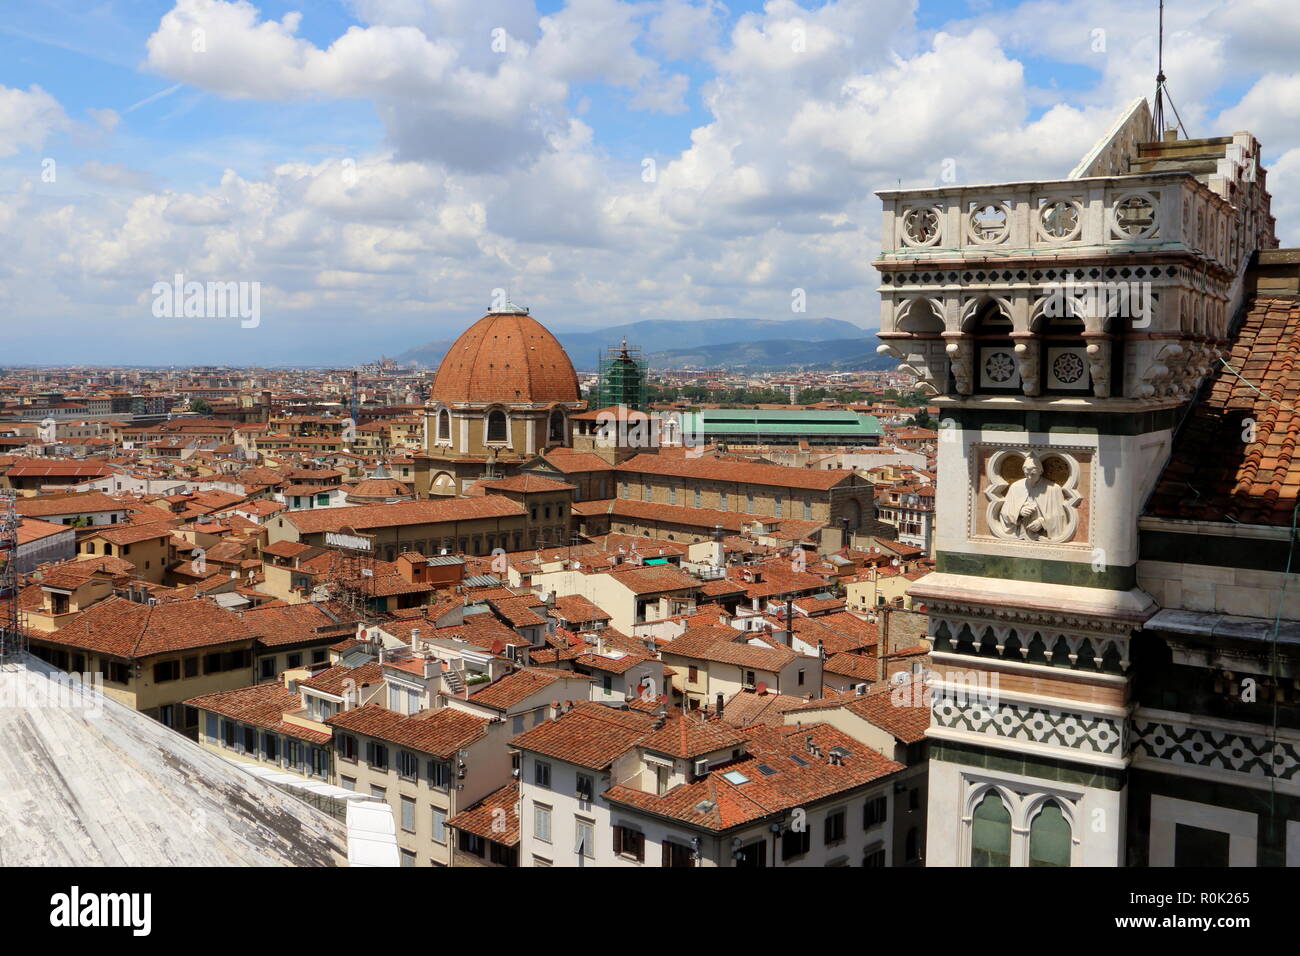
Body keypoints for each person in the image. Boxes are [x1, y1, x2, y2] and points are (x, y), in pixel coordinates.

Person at [999, 453, 1068, 539]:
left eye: (1033, 474)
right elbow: (1004, 513)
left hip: (1043, 537)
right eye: (1026, 474)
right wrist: (1019, 512)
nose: (1029, 477)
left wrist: (1043, 522)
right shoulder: (1015, 487)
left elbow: (1060, 517)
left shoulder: (1053, 489)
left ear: (1041, 472)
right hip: (1019, 535)